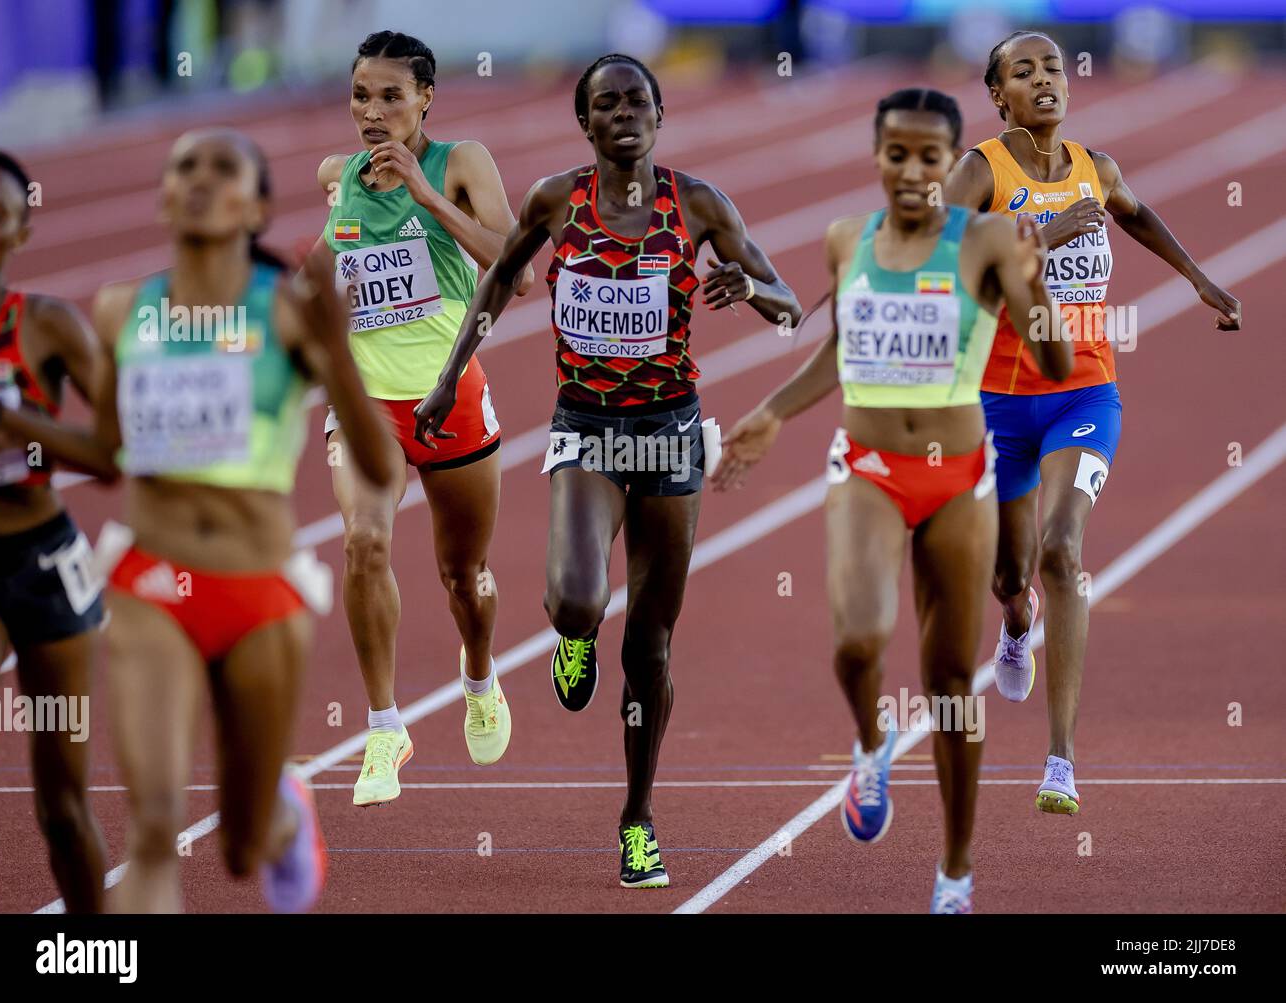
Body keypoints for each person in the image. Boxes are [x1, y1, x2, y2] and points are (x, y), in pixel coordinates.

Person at [416, 53, 801, 889]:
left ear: (660, 114)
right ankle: (571, 639)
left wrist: (750, 286)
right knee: (577, 598)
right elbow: (496, 281)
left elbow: (789, 300)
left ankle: (637, 818)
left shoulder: (697, 204)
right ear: (584, 124)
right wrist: (448, 380)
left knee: (652, 652)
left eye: (637, 100)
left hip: (666, 432)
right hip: (587, 427)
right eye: (605, 104)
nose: (623, 113)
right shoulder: (556, 200)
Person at [0, 128, 393, 912]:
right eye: (185, 169)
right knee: (155, 827)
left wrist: (338, 350)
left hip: (260, 593)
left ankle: (280, 815)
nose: (201, 180)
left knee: (239, 847)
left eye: (223, 169)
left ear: (258, 206)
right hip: (151, 587)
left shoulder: (288, 312)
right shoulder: (119, 311)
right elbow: (107, 450)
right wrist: (19, 430)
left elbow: (379, 468)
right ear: (165, 195)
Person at [712, 89, 1072, 912]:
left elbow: (1052, 364)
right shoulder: (850, 240)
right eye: (897, 154)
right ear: (876, 158)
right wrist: (770, 412)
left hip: (959, 476)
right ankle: (870, 746)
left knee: (950, 679)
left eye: (930, 156)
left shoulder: (985, 239)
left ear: (953, 163)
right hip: (870, 465)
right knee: (859, 638)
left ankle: (954, 871)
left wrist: (1033, 278)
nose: (913, 171)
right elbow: (843, 350)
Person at [944, 30, 1241, 814]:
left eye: (1052, 67)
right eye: (1023, 72)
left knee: (1062, 547)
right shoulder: (982, 170)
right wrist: (1042, 235)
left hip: (1085, 395)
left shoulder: (1094, 169)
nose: (1044, 80)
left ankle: (1061, 761)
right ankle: (1016, 625)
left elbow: (1134, 215)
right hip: (999, 404)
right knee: (1011, 577)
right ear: (998, 95)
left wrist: (1201, 280)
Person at [307, 30, 531, 806]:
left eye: (391, 97)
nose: (372, 112)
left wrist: (425, 195)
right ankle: (384, 725)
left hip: (449, 394)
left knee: (462, 575)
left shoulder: (461, 161)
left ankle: (479, 674)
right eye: (361, 96)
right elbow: (317, 272)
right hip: (366, 404)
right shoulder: (338, 177)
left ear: (426, 99)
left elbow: (518, 268)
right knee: (364, 541)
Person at [0, 149, 107, 913]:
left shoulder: (47, 324)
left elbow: (117, 452)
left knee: (61, 808)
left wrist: (16, 423)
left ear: (21, 231)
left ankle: (96, 950)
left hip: (45, 561)